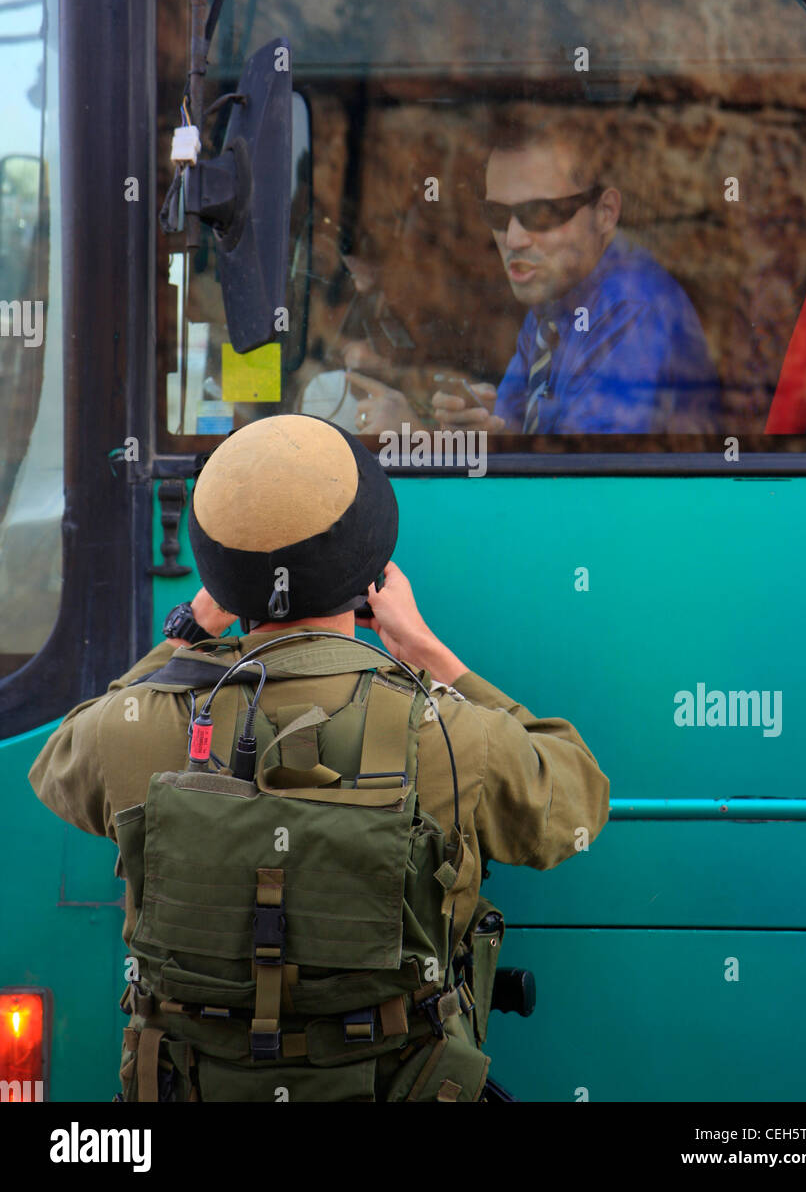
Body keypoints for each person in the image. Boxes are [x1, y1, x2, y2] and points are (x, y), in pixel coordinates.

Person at [28, 414, 609, 1103]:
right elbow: (576, 792)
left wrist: (193, 629)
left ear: (219, 573)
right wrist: (428, 653)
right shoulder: (454, 735)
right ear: (372, 568)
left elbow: (56, 761)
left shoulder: (133, 732)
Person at [354, 117, 721, 436]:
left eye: (541, 214)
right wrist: (481, 430)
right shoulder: (558, 298)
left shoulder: (632, 311)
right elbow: (526, 443)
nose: (513, 239)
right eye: (497, 215)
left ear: (605, 213)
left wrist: (415, 440)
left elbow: (582, 491)